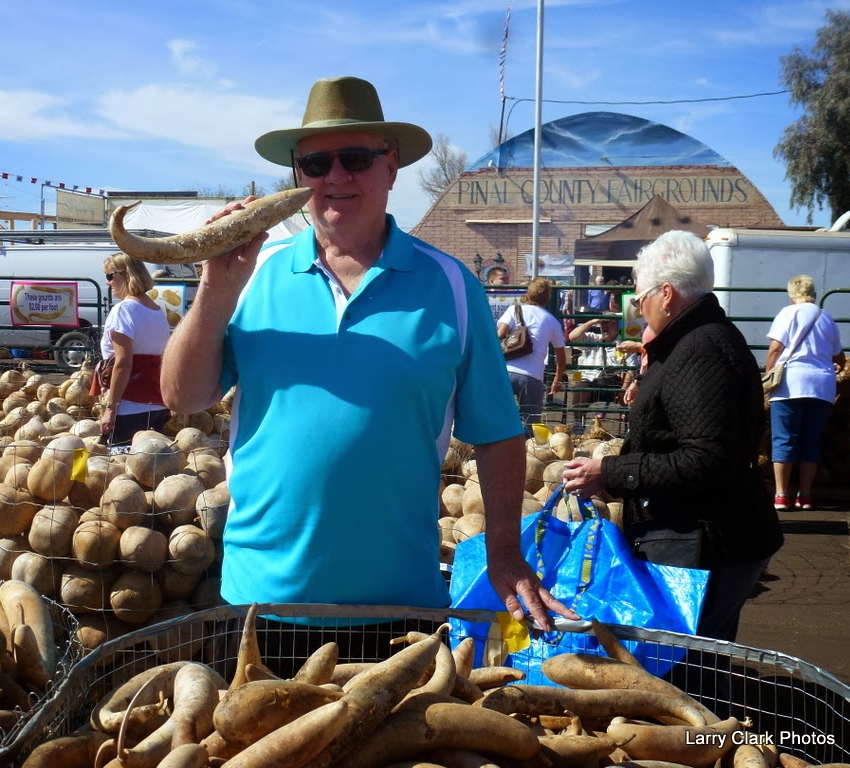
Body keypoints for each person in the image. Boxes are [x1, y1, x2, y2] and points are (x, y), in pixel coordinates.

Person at [161, 75, 577, 660]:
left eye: (355, 158)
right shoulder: (252, 273)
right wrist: (214, 286)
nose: (335, 176)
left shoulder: (452, 285)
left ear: (392, 165)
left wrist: (505, 554)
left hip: (397, 609)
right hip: (260, 602)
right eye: (315, 163)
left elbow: (499, 434)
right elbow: (182, 396)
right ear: (298, 176)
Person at [560, 230, 783, 642]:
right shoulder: (701, 340)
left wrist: (610, 474)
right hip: (709, 535)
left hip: (702, 540)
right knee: (698, 659)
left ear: (666, 294)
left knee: (684, 666)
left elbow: (704, 459)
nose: (638, 309)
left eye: (640, 298)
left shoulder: (702, 349)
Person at [765, 274, 845, 511]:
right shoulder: (826, 317)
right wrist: (835, 366)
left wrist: (769, 374)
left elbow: (775, 348)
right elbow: (838, 357)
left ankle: (781, 495)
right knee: (811, 440)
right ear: (815, 295)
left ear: (792, 296)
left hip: (790, 384)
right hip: (821, 386)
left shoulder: (787, 314)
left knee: (784, 438)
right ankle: (806, 495)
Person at [96, 252, 171, 449]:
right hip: (156, 403)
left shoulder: (123, 310)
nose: (108, 282)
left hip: (128, 406)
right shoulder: (156, 311)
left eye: (110, 276)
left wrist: (110, 409)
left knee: (123, 469)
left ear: (126, 274)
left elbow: (123, 362)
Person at [496, 277, 567, 437]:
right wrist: (557, 380)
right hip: (533, 376)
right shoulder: (552, 321)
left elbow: (499, 335)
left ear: (527, 296)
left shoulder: (514, 310)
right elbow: (561, 358)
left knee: (499, 417)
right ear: (547, 298)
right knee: (531, 422)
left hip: (506, 371)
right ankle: (526, 456)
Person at [567, 315, 622, 415]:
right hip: (592, 381)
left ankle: (629, 426)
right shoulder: (593, 339)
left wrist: (625, 386)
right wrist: (592, 322)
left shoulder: (623, 343)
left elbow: (631, 368)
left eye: (608, 323)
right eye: (602, 323)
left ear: (616, 326)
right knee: (581, 387)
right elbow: (572, 337)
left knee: (629, 390)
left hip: (615, 383)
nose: (604, 326)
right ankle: (578, 425)